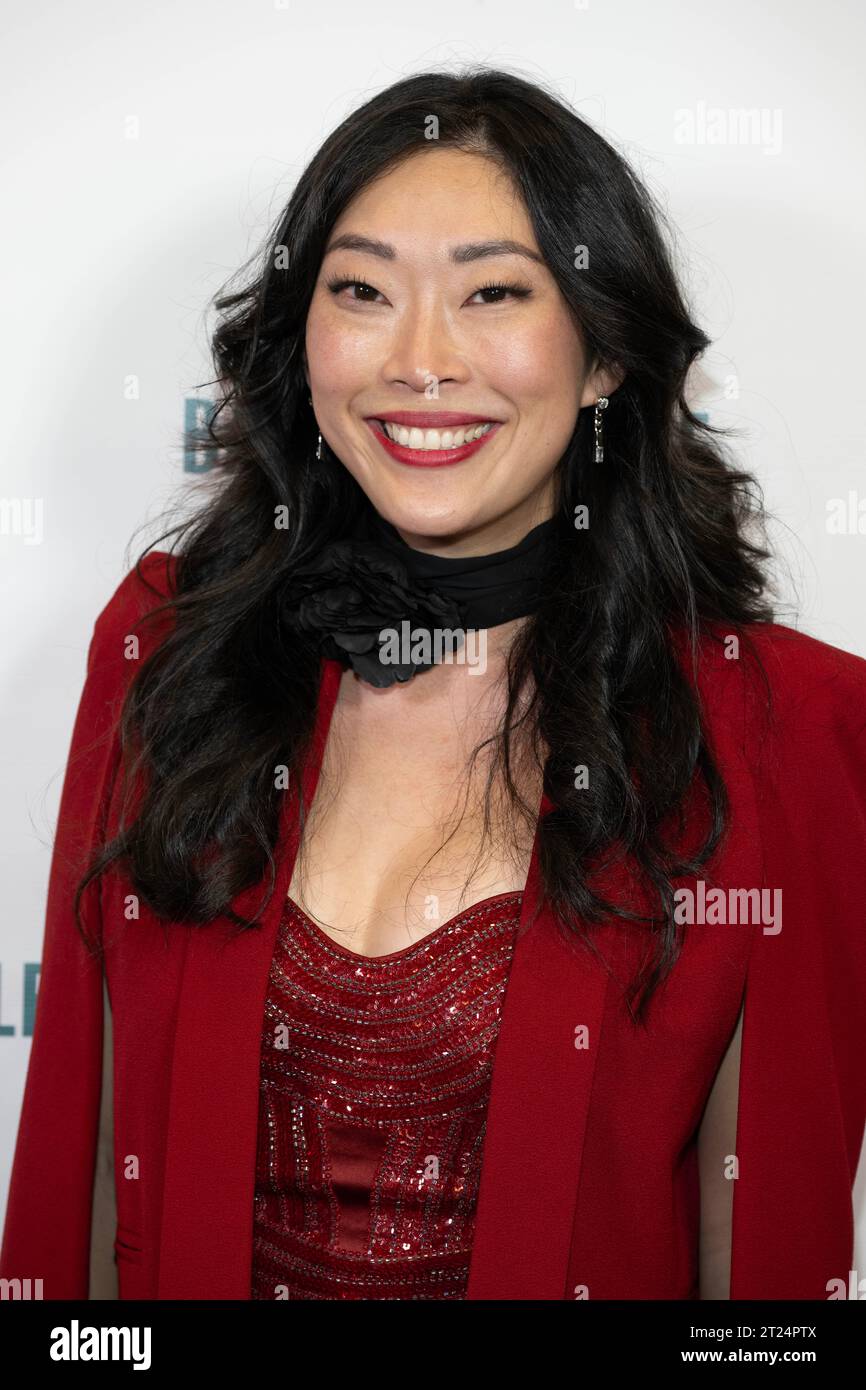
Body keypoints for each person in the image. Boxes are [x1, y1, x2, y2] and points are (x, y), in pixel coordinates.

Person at [2, 66, 865, 1303]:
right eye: (360, 292)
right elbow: (81, 1174)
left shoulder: (781, 727)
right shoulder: (166, 646)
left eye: (491, 294)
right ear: (302, 343)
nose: (418, 360)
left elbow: (764, 1267)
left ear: (603, 356)